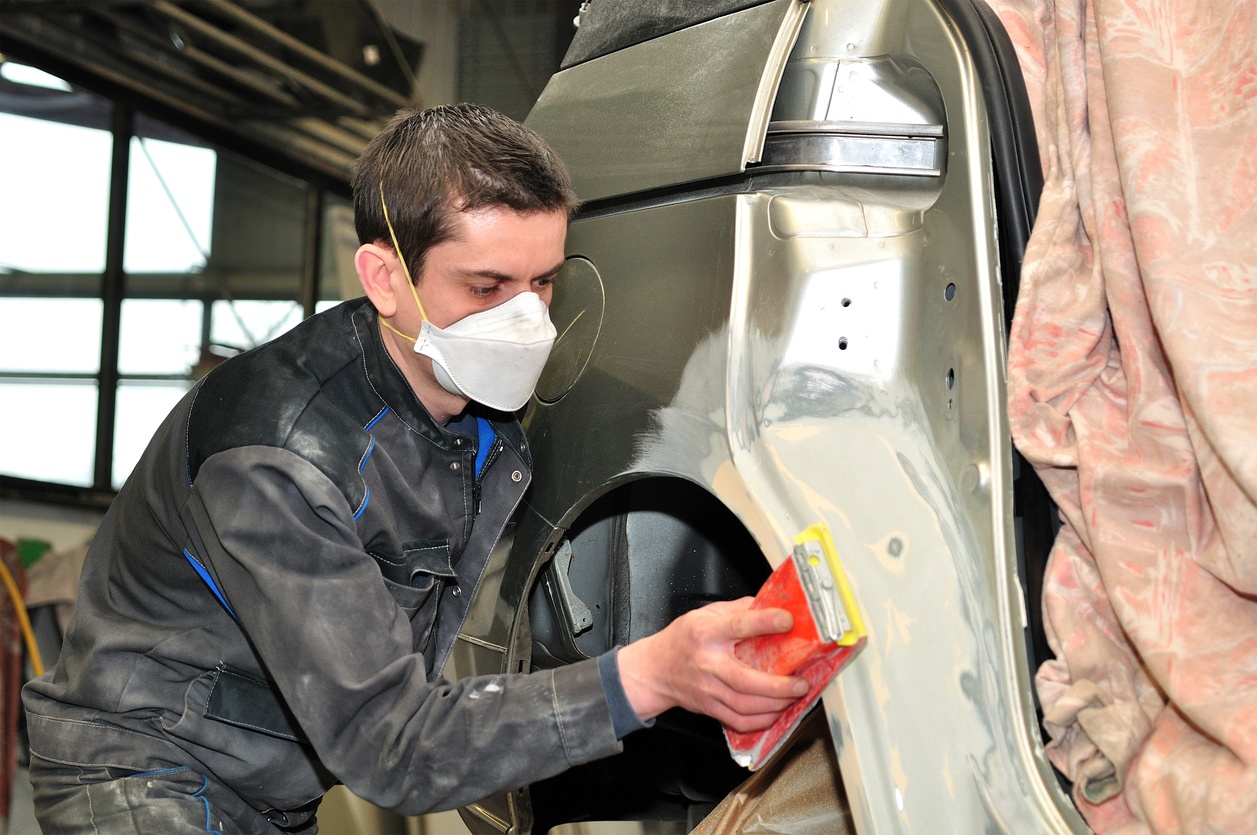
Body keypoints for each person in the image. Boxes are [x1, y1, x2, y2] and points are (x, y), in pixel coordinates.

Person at [22, 104, 806, 834]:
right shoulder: (280, 457)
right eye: (486, 286)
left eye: (543, 281)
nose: (527, 320)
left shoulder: (466, 409)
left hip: (269, 787)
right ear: (385, 279)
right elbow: (390, 744)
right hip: (138, 779)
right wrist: (647, 674)